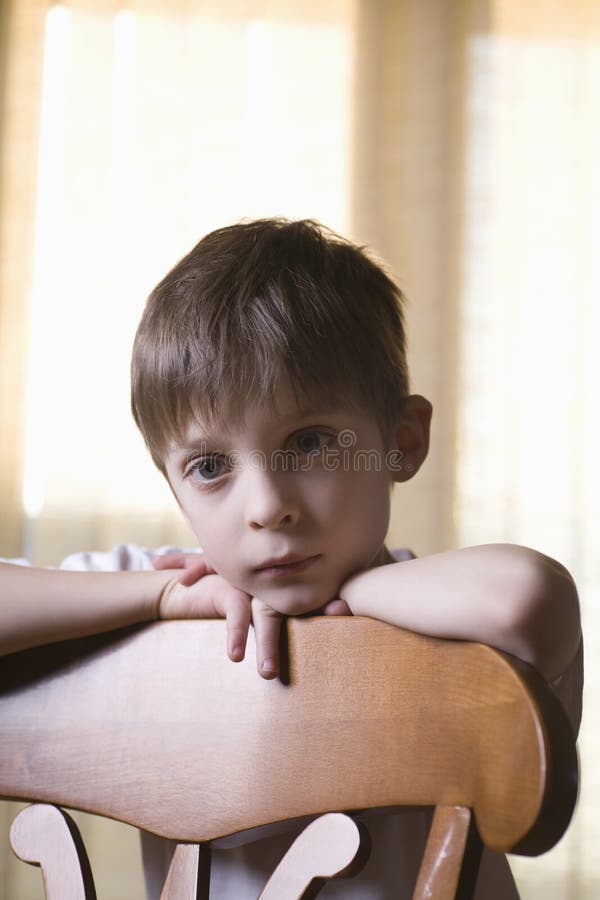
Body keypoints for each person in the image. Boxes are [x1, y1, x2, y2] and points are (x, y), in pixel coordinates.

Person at [0, 218, 583, 898]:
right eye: (211, 465)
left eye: (308, 444)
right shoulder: (167, 588)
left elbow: (526, 599)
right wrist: (162, 600)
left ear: (400, 440)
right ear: (171, 483)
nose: (266, 506)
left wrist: (358, 596)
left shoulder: (435, 602)